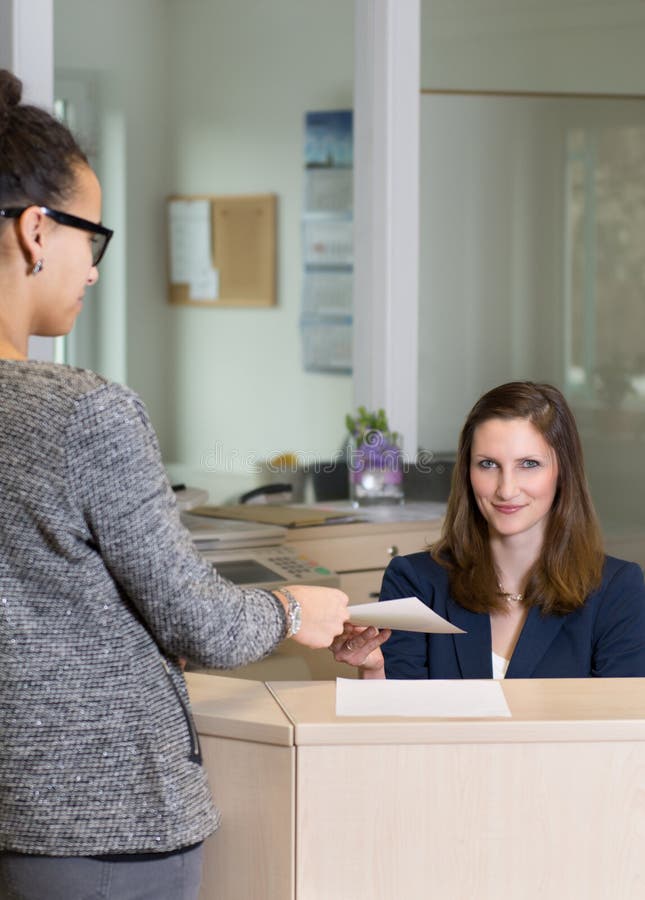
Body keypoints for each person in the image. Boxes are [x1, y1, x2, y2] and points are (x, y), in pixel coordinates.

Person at [0, 69, 349, 900]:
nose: (92, 271)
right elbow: (205, 622)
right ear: (37, 232)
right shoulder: (81, 413)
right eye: (93, 239)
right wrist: (299, 609)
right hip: (103, 826)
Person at [331, 380, 645, 680]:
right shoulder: (414, 583)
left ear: (563, 472)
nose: (506, 489)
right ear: (467, 472)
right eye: (488, 464)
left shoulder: (617, 590)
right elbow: (396, 726)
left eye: (529, 464)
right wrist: (373, 670)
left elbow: (620, 727)